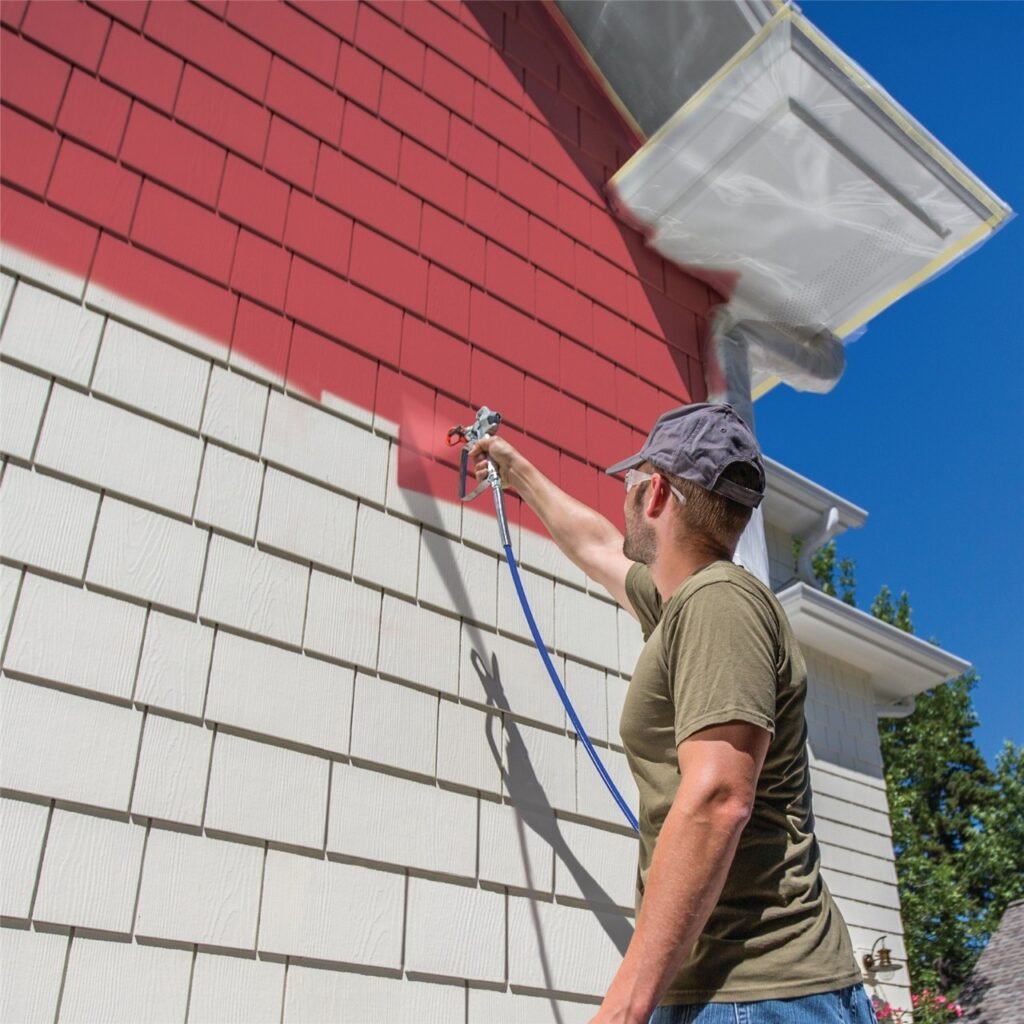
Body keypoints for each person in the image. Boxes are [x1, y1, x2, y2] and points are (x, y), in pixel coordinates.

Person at [470, 403, 874, 1024]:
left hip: (758, 994)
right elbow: (600, 547)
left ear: (656, 491)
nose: (625, 498)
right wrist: (515, 470)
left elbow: (717, 799)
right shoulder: (686, 606)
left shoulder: (719, 605)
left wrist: (622, 1008)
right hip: (726, 991)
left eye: (633, 483)